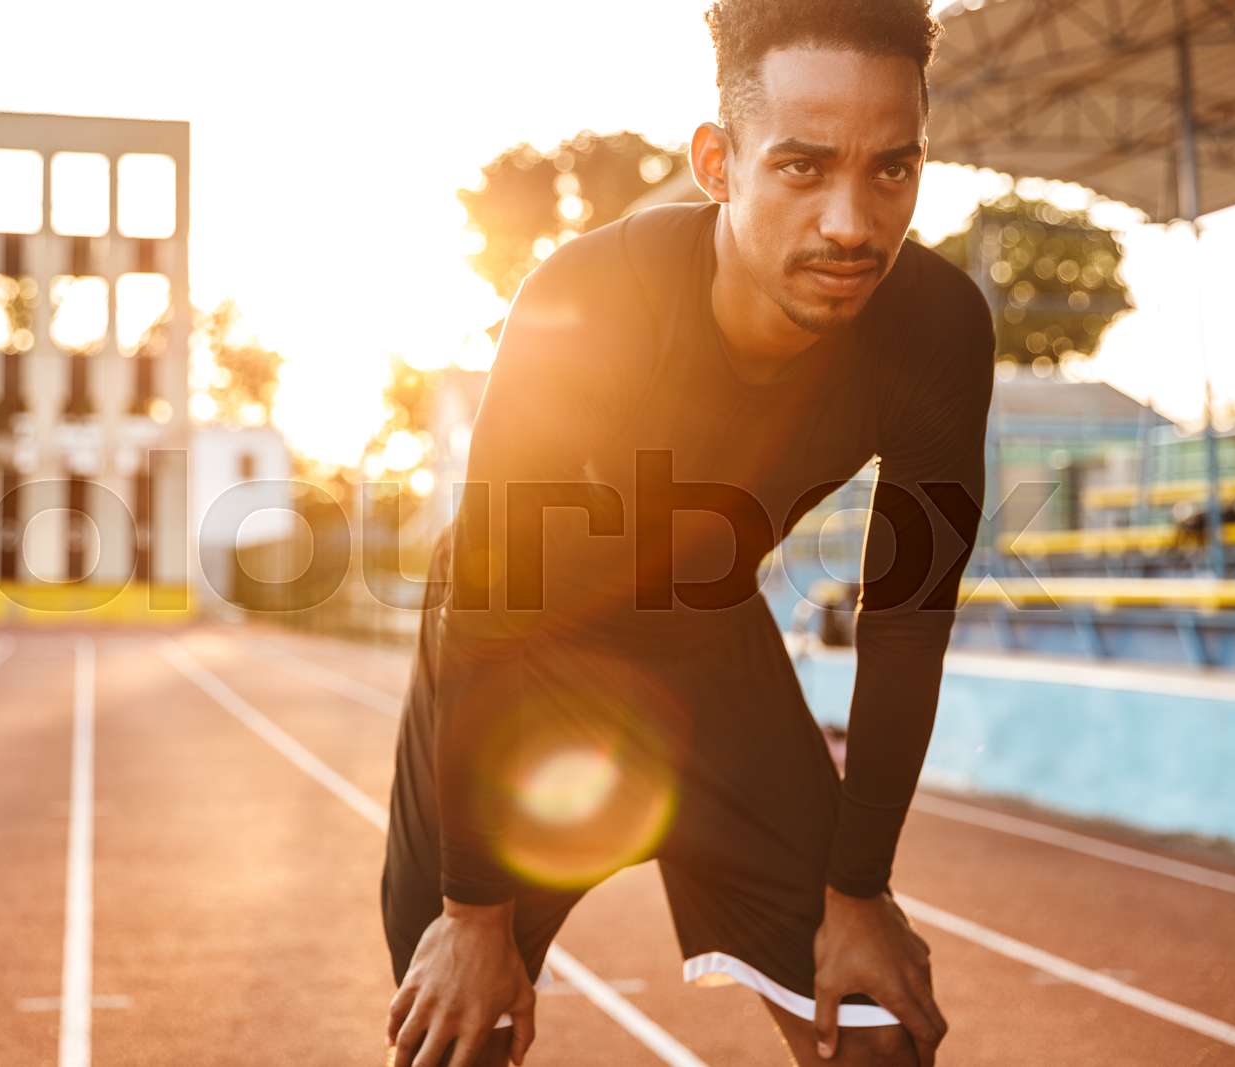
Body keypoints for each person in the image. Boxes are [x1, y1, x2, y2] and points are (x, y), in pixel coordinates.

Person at [381, 2, 994, 1064]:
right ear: (718, 161)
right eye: (803, 169)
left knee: (876, 1026)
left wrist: (860, 887)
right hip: (519, 648)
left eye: (891, 171)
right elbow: (489, 600)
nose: (853, 223)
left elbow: (906, 618)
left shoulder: (935, 327)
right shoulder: (588, 300)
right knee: (456, 1028)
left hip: (707, 637)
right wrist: (474, 911)